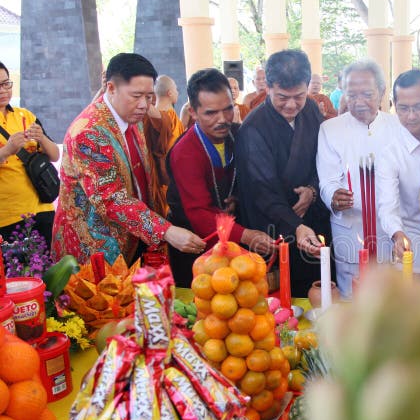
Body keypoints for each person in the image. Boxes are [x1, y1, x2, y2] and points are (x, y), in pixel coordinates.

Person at [53, 52, 205, 265]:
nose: (144, 104)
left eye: (148, 96)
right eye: (136, 96)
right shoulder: (89, 132)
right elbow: (111, 198)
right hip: (96, 248)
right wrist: (166, 231)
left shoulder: (132, 118)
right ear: (111, 88)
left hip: (136, 238)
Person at [236, 50, 333, 297]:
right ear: (267, 88)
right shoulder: (254, 128)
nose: (291, 105)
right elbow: (262, 190)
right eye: (282, 97)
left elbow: (324, 161)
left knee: (318, 291)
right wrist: (296, 226)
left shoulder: (311, 109)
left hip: (312, 218)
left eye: (299, 96)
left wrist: (312, 190)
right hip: (273, 225)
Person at [167, 68, 274, 287]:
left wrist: (237, 196)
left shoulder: (237, 133)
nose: (222, 119)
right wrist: (246, 235)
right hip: (196, 244)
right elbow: (199, 213)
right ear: (193, 112)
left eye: (228, 109)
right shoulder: (185, 152)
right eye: (211, 113)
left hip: (230, 238)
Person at [317, 60, 397, 297]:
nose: (359, 102)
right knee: (353, 307)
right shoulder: (330, 129)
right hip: (351, 232)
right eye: (352, 95)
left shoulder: (399, 127)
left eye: (367, 94)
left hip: (391, 233)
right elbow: (327, 179)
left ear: (382, 92)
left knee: (392, 306)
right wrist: (334, 196)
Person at [377, 70, 420, 281]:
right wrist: (397, 234)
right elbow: (388, 205)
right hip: (416, 255)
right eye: (403, 109)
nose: (411, 116)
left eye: (419, 107)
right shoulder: (390, 153)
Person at [0, 61, 60, 249]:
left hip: (42, 208)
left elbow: (55, 155)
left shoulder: (25, 115)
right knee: (16, 275)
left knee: (48, 274)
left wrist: (41, 138)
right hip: (8, 216)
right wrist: (7, 150)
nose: (3, 90)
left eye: (6, 84)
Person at [143, 75, 184, 216]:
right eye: (176, 90)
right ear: (170, 93)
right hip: (165, 176)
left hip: (169, 172)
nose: (178, 93)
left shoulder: (167, 115)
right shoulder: (165, 118)